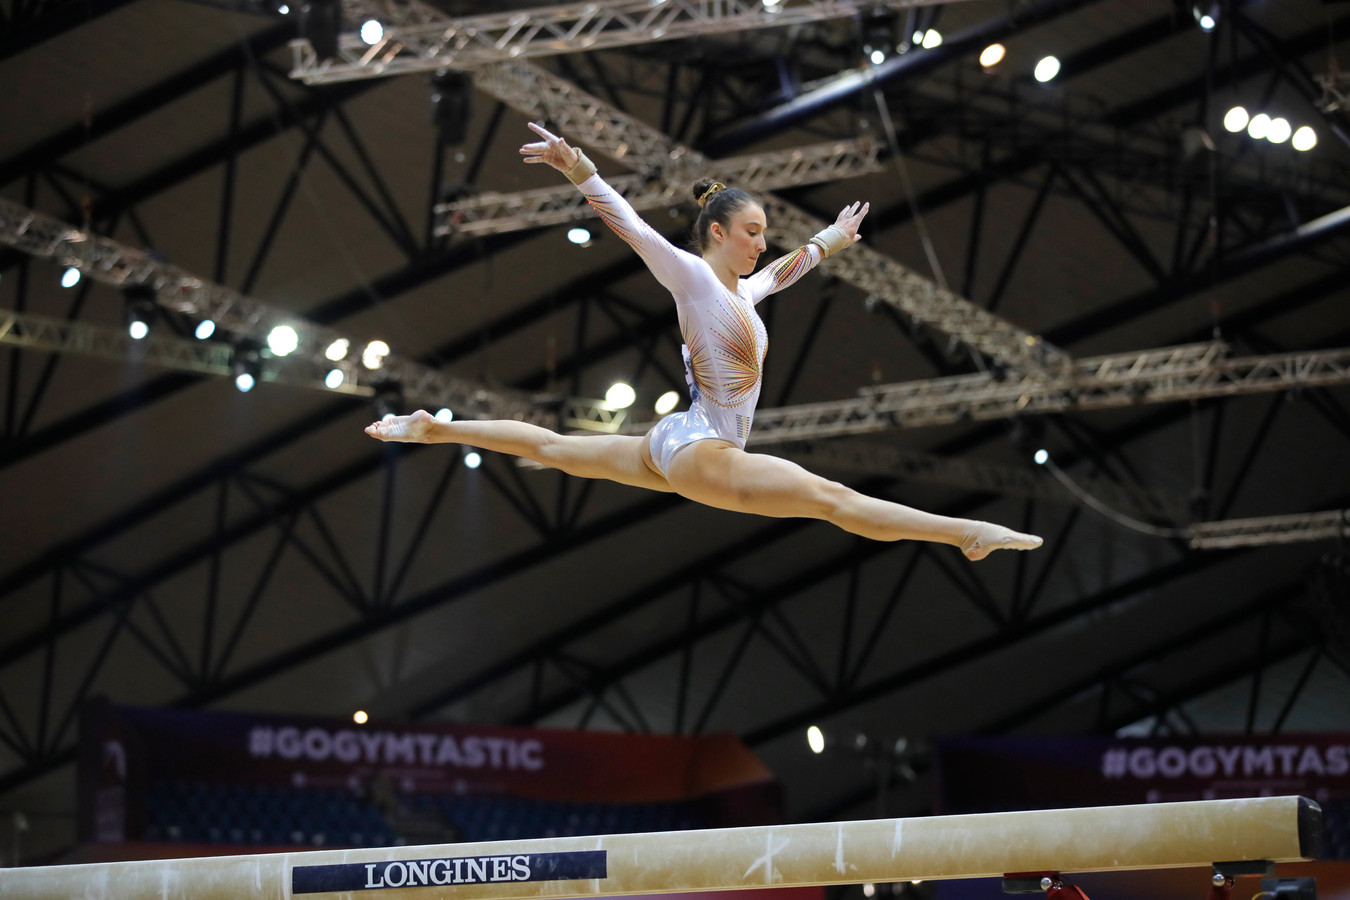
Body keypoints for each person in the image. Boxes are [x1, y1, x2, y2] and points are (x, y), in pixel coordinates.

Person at [366, 123, 1042, 561]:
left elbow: (788, 267)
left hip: (681, 439)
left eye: (763, 232)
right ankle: (966, 535)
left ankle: (435, 429)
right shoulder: (690, 276)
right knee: (832, 500)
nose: (760, 243)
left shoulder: (743, 292)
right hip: (700, 445)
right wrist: (579, 170)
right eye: (751, 231)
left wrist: (833, 240)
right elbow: (629, 225)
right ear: (716, 231)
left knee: (555, 449)